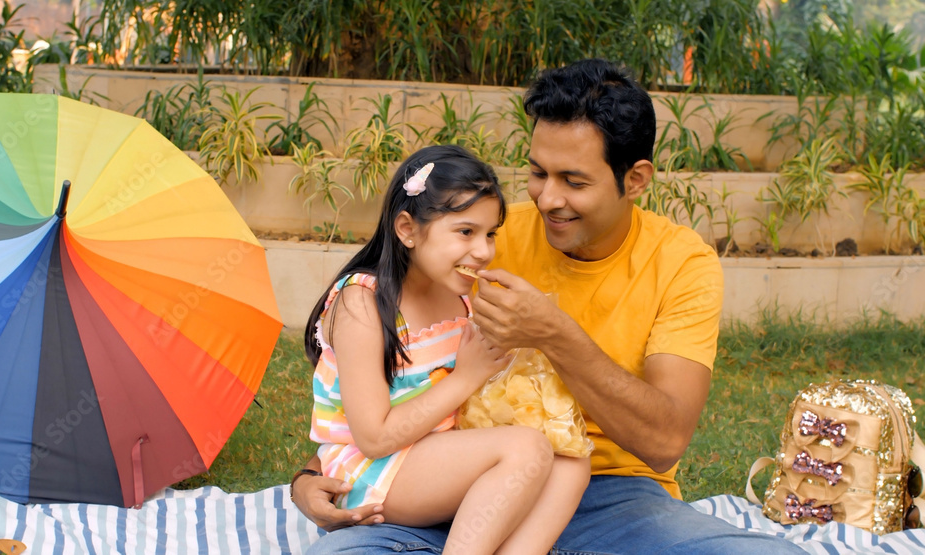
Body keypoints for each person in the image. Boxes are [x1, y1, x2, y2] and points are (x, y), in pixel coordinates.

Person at [293, 59, 807, 554]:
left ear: (635, 180)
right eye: (538, 173)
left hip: (613, 496)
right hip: (465, 485)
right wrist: (308, 479)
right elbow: (376, 375)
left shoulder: (680, 263)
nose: (547, 199)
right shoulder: (481, 235)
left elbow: (666, 439)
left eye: (574, 181)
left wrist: (555, 334)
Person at [302, 144, 590, 554]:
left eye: (490, 234)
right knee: (524, 448)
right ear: (407, 229)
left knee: (571, 462)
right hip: (374, 469)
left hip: (436, 457)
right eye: (465, 232)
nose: (484, 250)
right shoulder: (361, 304)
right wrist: (467, 377)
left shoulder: (459, 298)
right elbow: (375, 437)